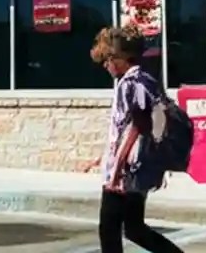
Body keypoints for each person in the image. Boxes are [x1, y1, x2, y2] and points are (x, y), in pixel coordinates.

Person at [84, 25, 184, 253]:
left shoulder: (130, 83)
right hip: (139, 167)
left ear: (119, 57)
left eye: (107, 60)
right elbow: (129, 127)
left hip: (126, 172)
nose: (106, 66)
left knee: (109, 230)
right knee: (134, 228)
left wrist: (116, 170)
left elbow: (139, 126)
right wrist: (102, 158)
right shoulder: (147, 79)